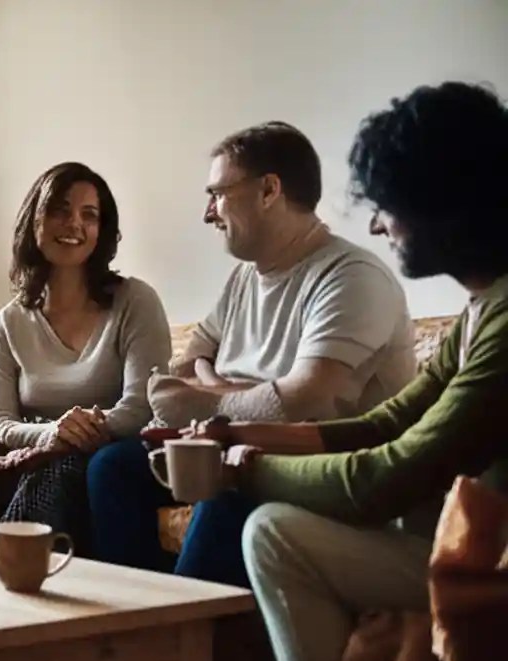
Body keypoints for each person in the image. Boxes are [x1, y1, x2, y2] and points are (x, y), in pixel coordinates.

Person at [200, 81, 508, 661]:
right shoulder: (483, 309)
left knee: (272, 532)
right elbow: (387, 422)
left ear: (439, 201)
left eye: (385, 205)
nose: (374, 224)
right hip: (459, 535)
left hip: (493, 559)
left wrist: (244, 471)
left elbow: (387, 477)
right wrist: (235, 435)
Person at [85, 121, 415, 585]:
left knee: (228, 489)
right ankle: (139, 610)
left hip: (318, 461)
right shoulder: (245, 276)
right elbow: (192, 357)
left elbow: (308, 400)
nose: (208, 214)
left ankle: (190, 623)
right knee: (111, 467)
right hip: (233, 444)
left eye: (217, 194)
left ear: (268, 191)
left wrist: (207, 400)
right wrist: (222, 385)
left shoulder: (351, 276)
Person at [0, 162, 170, 544]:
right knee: (43, 469)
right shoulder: (7, 324)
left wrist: (79, 433)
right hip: (43, 455)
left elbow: (141, 408)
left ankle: (15, 562)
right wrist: (53, 433)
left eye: (88, 215)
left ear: (101, 230)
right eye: (60, 210)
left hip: (119, 457)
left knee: (61, 469)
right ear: (34, 220)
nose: (74, 223)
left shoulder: (135, 301)